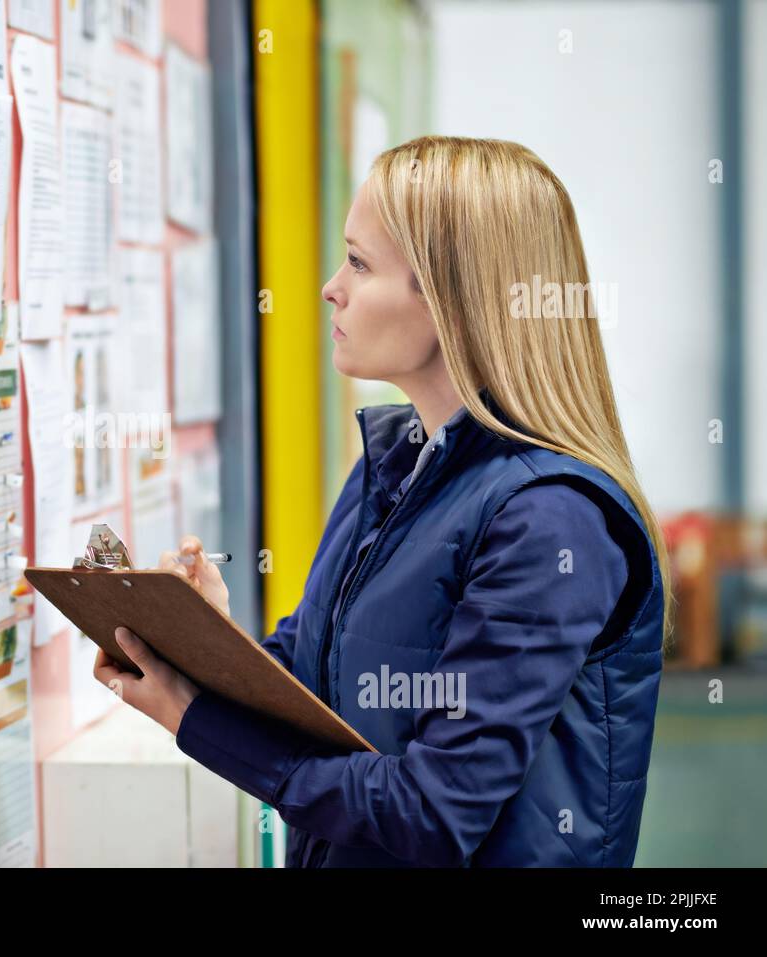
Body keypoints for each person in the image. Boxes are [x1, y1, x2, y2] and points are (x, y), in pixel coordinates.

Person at [94, 135, 669, 867]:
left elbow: (433, 813)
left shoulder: (551, 517)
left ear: (452, 301)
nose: (331, 287)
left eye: (360, 264)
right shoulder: (394, 463)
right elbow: (322, 689)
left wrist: (194, 718)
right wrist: (201, 642)